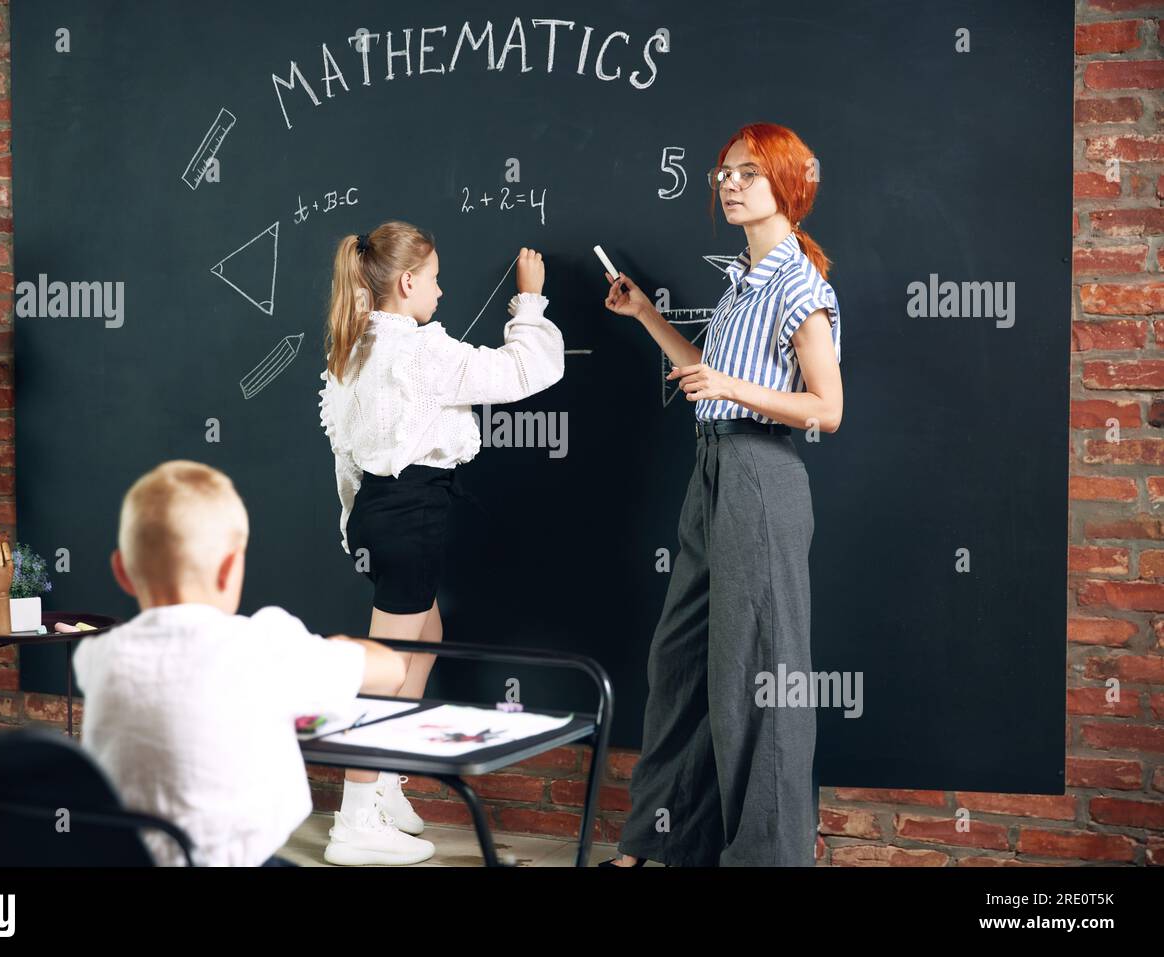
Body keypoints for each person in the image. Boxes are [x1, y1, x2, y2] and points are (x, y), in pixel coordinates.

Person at [599, 123, 843, 867]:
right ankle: (661, 842)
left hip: (761, 476)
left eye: (747, 173)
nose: (728, 184)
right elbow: (708, 372)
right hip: (713, 472)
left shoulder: (801, 282)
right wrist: (644, 314)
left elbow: (826, 408)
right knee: (681, 663)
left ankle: (768, 859)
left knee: (760, 674)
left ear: (787, 186)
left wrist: (730, 386)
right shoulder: (744, 280)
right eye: (723, 174)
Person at [317, 222, 564, 865]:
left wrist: (357, 525)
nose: (442, 289)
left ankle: (386, 781)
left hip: (380, 510)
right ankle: (353, 819)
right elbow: (522, 371)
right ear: (406, 283)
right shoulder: (422, 350)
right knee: (386, 664)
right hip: (411, 515)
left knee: (423, 640)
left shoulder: (356, 345)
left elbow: (346, 453)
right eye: (432, 278)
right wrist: (529, 301)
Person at [73, 460, 410, 866]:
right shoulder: (265, 645)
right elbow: (391, 671)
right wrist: (336, 647)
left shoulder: (99, 656)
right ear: (231, 566)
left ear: (123, 573)